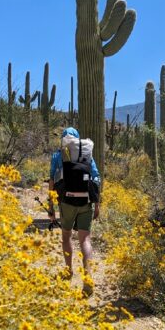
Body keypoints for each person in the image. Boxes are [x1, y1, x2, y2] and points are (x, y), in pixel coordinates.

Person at [47, 127, 101, 297]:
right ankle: (88, 278)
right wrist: (97, 204)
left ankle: (68, 270)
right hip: (85, 201)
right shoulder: (87, 155)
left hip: (67, 202)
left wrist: (51, 207)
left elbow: (51, 181)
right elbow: (96, 179)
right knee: (85, 240)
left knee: (66, 236)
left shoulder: (58, 155)